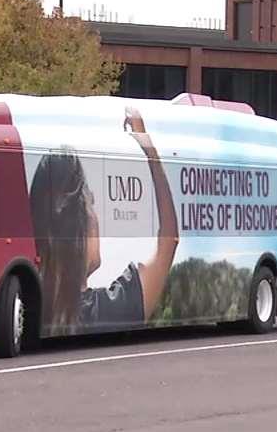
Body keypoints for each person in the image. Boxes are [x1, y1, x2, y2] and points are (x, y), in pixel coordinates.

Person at [28, 106, 179, 336]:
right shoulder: (110, 309)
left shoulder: (29, 306)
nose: (97, 217)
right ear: (79, 226)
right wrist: (149, 149)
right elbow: (170, 239)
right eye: (91, 203)